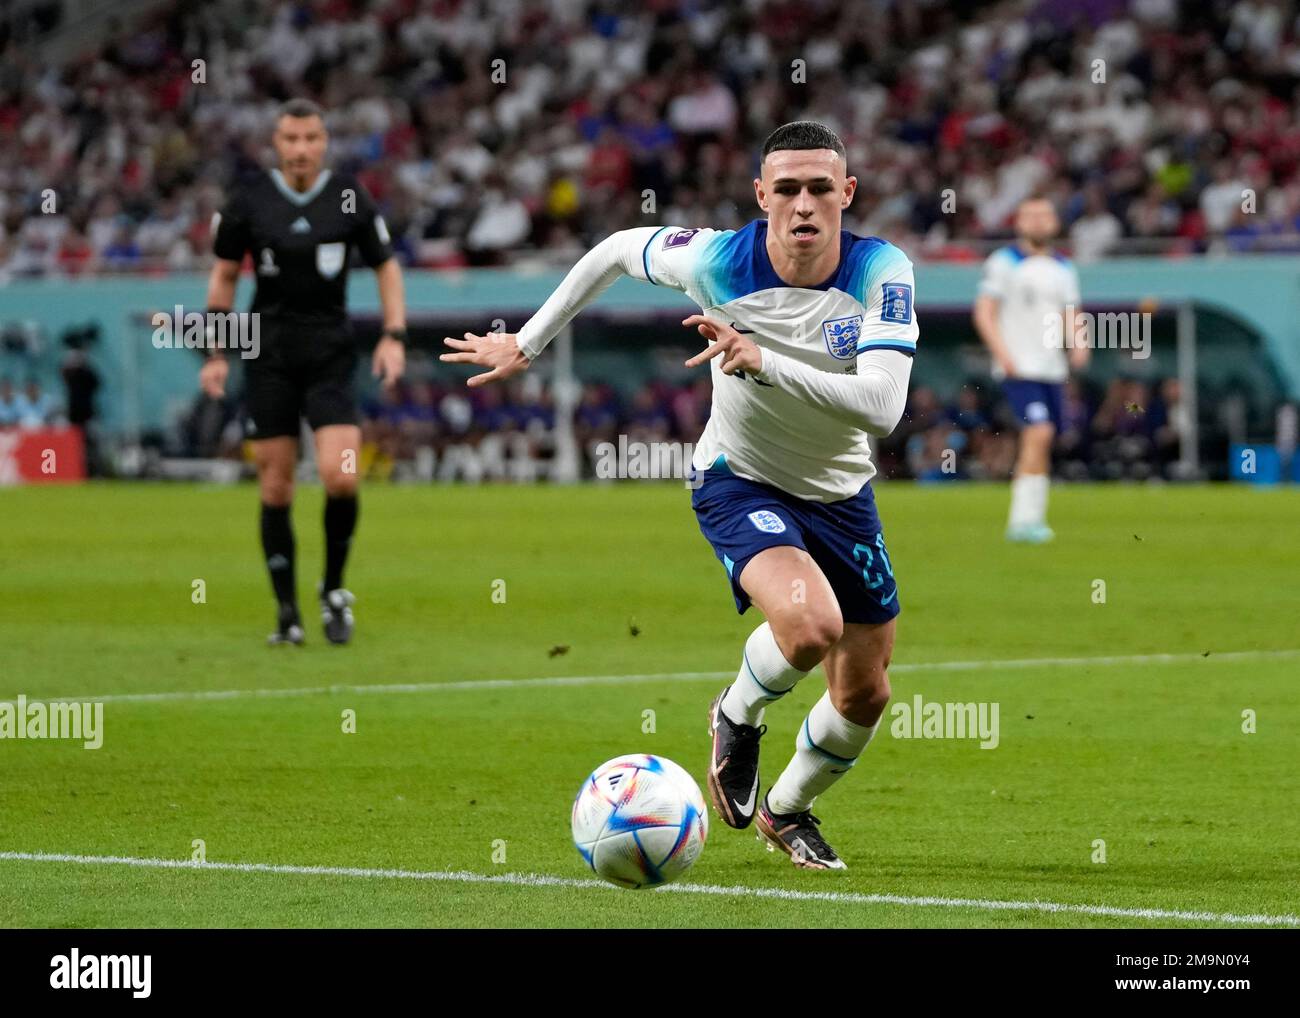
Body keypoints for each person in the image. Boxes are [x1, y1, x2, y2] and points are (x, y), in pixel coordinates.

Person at [442, 121, 918, 870]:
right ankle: (737, 713)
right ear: (761, 195)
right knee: (808, 626)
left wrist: (762, 361)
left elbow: (883, 406)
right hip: (740, 477)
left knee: (865, 695)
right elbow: (613, 250)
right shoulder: (717, 260)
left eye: (820, 188)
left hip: (841, 491)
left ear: (846, 194)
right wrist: (527, 343)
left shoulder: (881, 271)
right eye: (786, 189)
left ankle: (788, 811)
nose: (802, 205)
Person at [201, 98, 408, 645]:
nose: (300, 149)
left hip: (330, 353)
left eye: (311, 138)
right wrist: (215, 352)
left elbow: (387, 266)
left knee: (342, 475)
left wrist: (393, 335)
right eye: (290, 139)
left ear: (324, 142)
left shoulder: (348, 196)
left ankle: (333, 589)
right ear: (277, 143)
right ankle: (287, 614)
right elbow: (223, 278)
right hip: (267, 355)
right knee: (276, 487)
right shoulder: (249, 198)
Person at [973, 197, 1088, 542]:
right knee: (1039, 432)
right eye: (1031, 216)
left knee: (1046, 436)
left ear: (1054, 223)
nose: (1038, 222)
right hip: (1020, 365)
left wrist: (1079, 342)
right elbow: (984, 311)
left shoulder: (1064, 268)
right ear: (1019, 222)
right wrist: (1002, 353)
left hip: (1051, 368)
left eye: (1045, 215)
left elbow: (1071, 312)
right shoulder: (1005, 262)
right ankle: (1021, 520)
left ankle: (1034, 517)